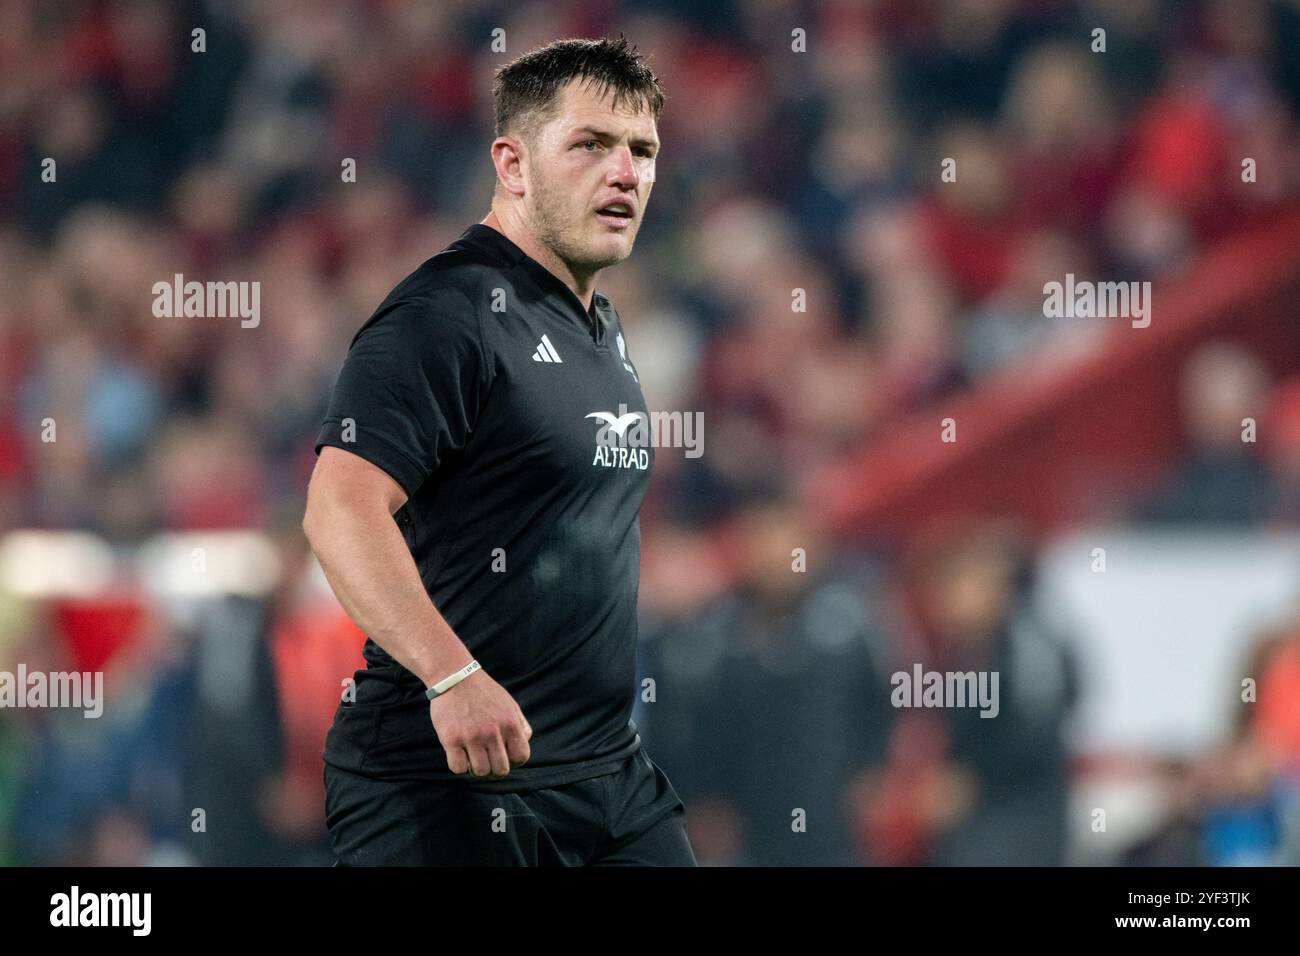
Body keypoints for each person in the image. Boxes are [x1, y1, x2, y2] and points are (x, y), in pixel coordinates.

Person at [302, 36, 695, 866]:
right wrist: (451, 676)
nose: (624, 171)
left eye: (643, 150)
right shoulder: (445, 314)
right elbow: (339, 508)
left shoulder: (601, 326)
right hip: (441, 779)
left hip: (605, 775)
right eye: (591, 144)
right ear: (512, 164)